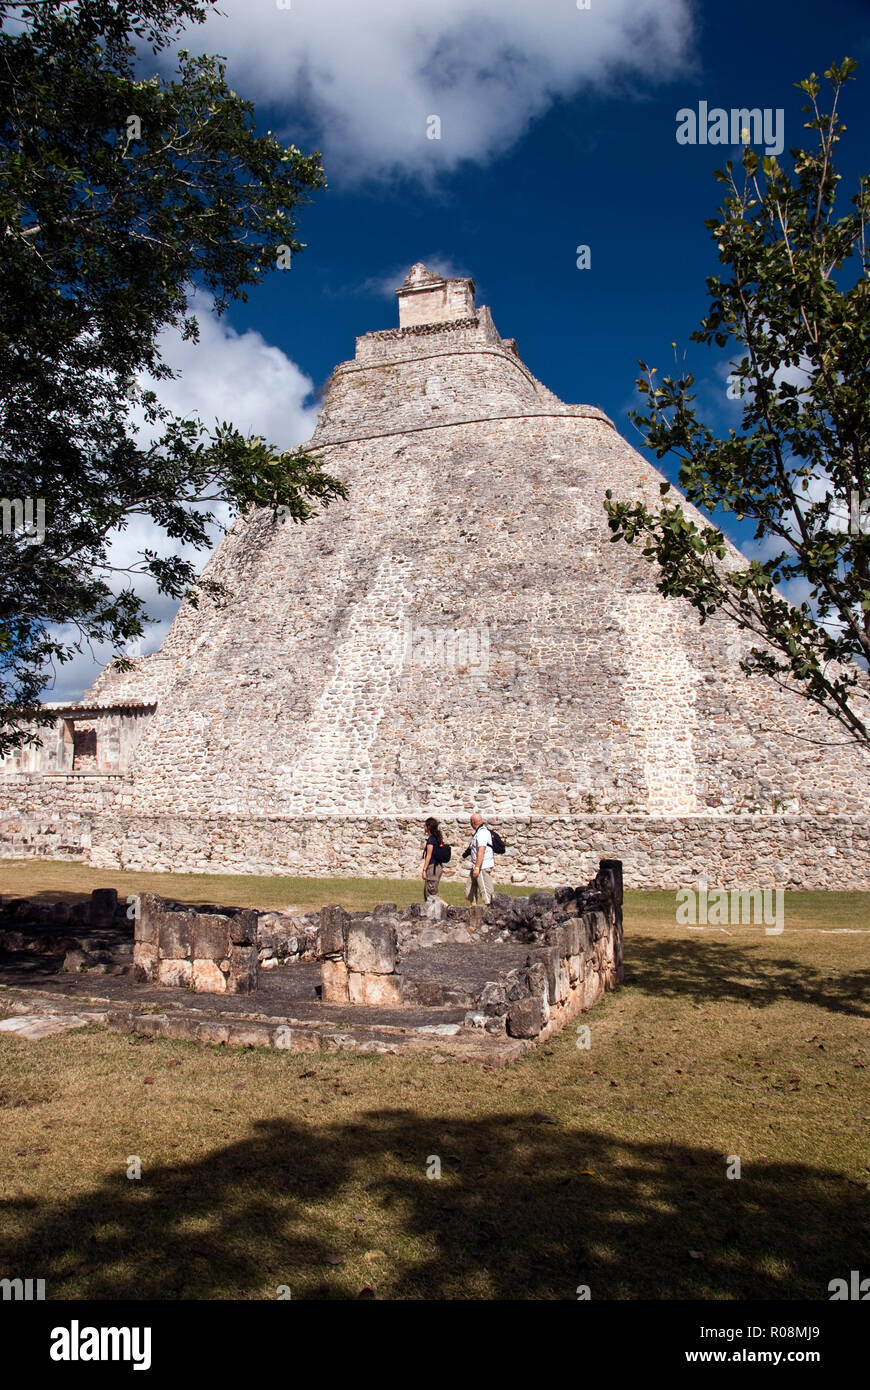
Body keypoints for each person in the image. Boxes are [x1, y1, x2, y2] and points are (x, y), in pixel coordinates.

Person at [465, 810, 494, 906]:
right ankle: (473, 909)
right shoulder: (478, 832)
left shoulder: (482, 833)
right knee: (470, 889)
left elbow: (481, 851)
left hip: (482, 866)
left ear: (473, 823)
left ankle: (490, 913)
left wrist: (477, 868)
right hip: (476, 866)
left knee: (485, 891)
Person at [422, 817, 446, 901]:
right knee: (431, 893)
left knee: (431, 894)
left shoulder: (431, 840)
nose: (424, 827)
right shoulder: (437, 838)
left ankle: (448, 908)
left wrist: (424, 870)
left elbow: (428, 855)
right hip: (437, 867)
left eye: (425, 825)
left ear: (428, 827)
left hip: (433, 868)